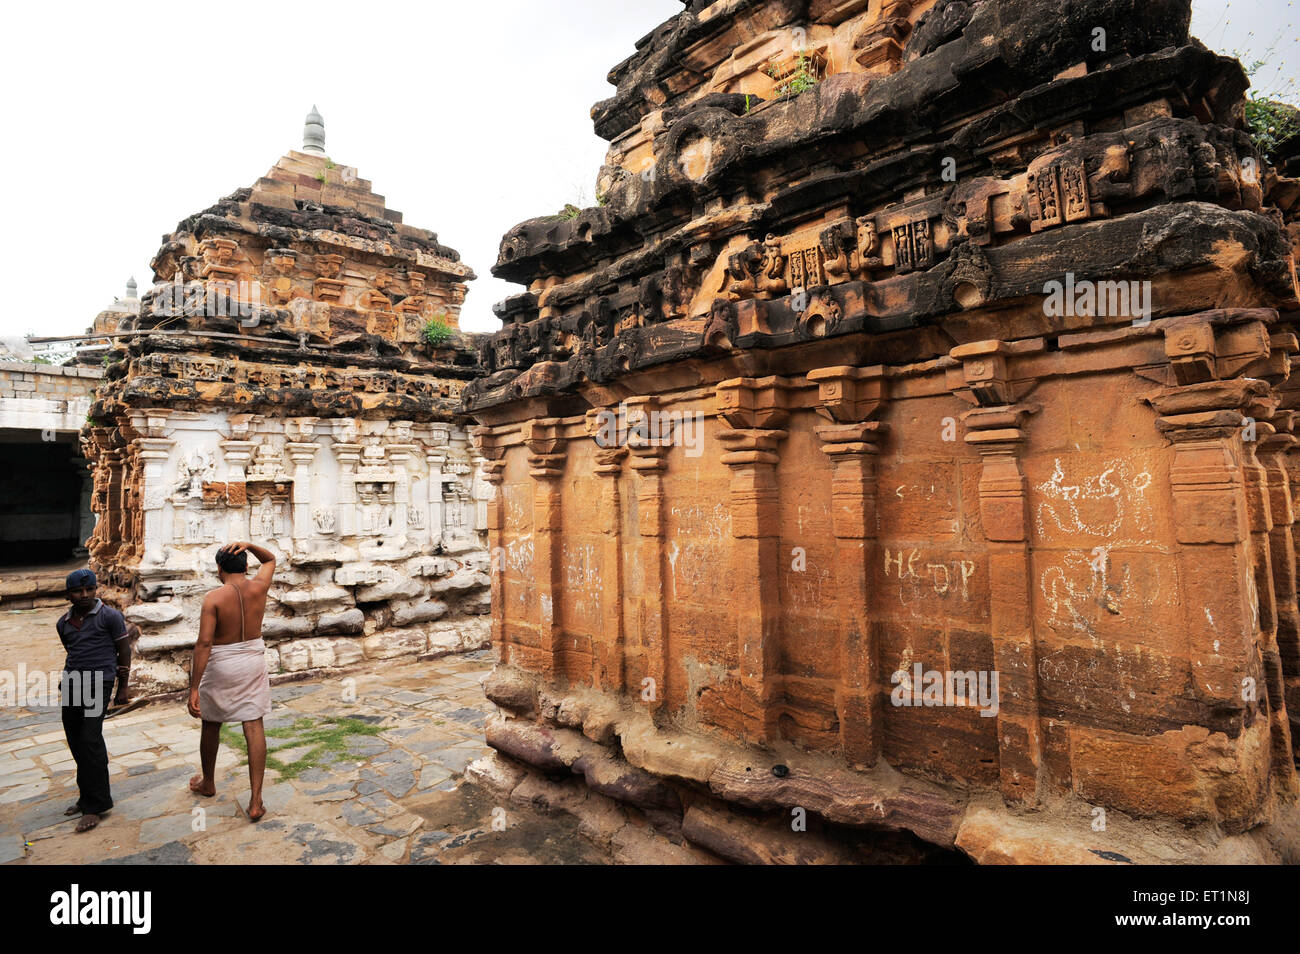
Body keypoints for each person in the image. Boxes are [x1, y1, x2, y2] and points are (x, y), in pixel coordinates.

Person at [187, 541, 276, 821]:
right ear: (246, 566)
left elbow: (204, 643)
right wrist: (249, 544)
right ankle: (256, 800)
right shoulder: (259, 587)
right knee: (254, 724)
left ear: (219, 568)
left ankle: (208, 782)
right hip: (252, 661)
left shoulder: (213, 598)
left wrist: (193, 687)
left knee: (211, 723)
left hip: (222, 664)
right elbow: (270, 559)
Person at [55, 568, 137, 833]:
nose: (84, 595)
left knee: (90, 740)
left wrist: (122, 688)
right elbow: (73, 652)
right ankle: (85, 797)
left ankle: (96, 805)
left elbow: (123, 651)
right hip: (72, 683)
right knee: (76, 741)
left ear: (96, 589)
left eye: (89, 589)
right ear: (68, 595)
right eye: (78, 591)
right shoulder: (63, 623)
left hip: (99, 682)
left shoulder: (110, 616)